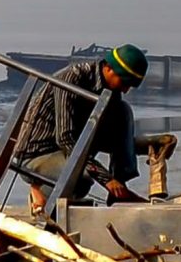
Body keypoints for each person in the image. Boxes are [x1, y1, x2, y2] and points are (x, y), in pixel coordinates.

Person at [14, 44, 150, 214]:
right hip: (37, 153)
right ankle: (41, 191)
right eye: (124, 82)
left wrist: (149, 144)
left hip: (69, 146)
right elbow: (65, 139)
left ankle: (119, 190)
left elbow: (115, 137)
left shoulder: (110, 89)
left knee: (123, 111)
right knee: (82, 178)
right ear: (108, 69)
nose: (125, 89)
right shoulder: (72, 78)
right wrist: (106, 180)